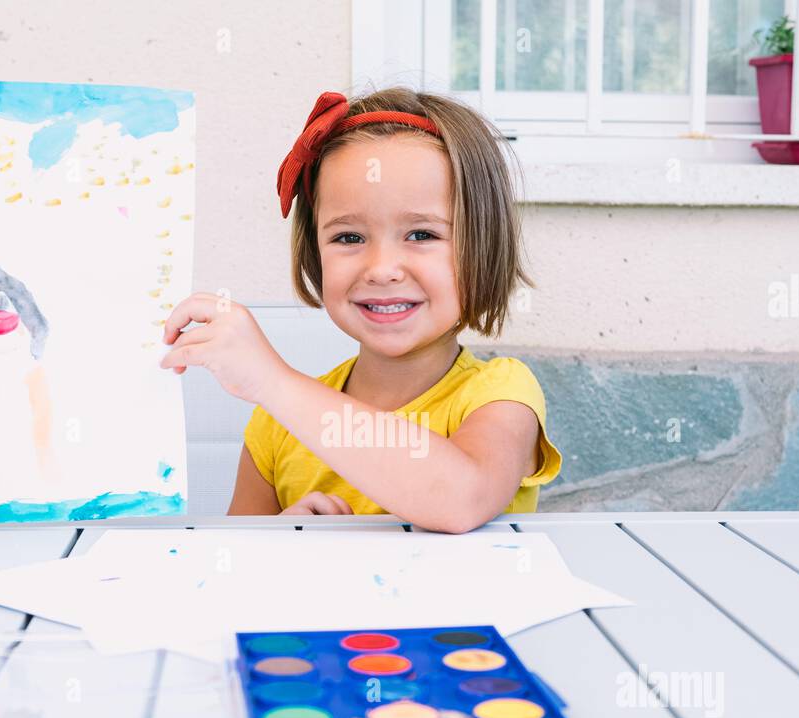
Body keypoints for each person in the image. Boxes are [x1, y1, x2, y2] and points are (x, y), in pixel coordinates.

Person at [160, 88, 562, 533]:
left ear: (482, 247)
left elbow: (461, 499)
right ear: (315, 254)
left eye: (421, 234)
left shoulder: (501, 393)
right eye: (349, 238)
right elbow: (233, 568)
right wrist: (277, 537)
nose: (382, 269)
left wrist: (274, 381)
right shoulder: (275, 424)